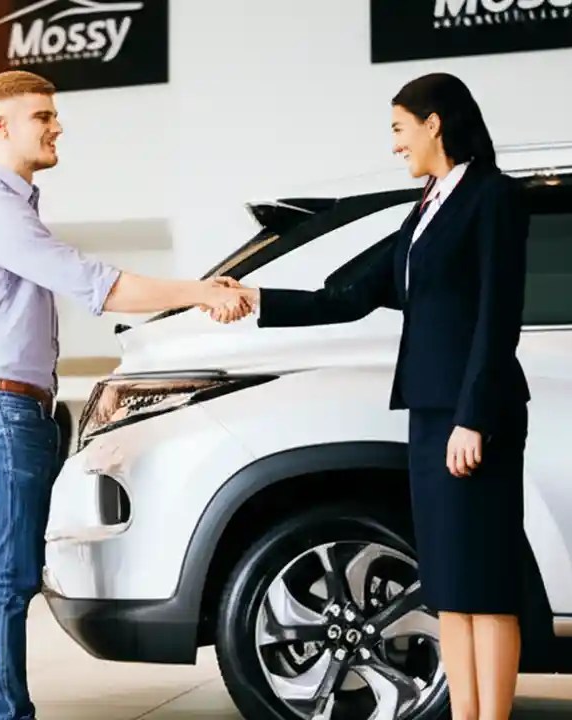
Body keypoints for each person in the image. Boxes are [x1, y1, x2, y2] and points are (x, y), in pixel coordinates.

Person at [215, 73, 530, 720]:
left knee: (486, 585)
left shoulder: (491, 197)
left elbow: (500, 317)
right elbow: (349, 295)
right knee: (451, 588)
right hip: (428, 413)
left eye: (398, 129)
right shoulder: (429, 206)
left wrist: (472, 419)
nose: (395, 145)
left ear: (434, 123)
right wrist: (254, 299)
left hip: (475, 417)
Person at [0, 69, 251, 720]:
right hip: (1, 410)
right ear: (0, 127)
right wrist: (199, 292)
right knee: (6, 577)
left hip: (7, 408)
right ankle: (2, 716)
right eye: (43, 116)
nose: (57, 126)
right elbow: (97, 284)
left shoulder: (11, 207)